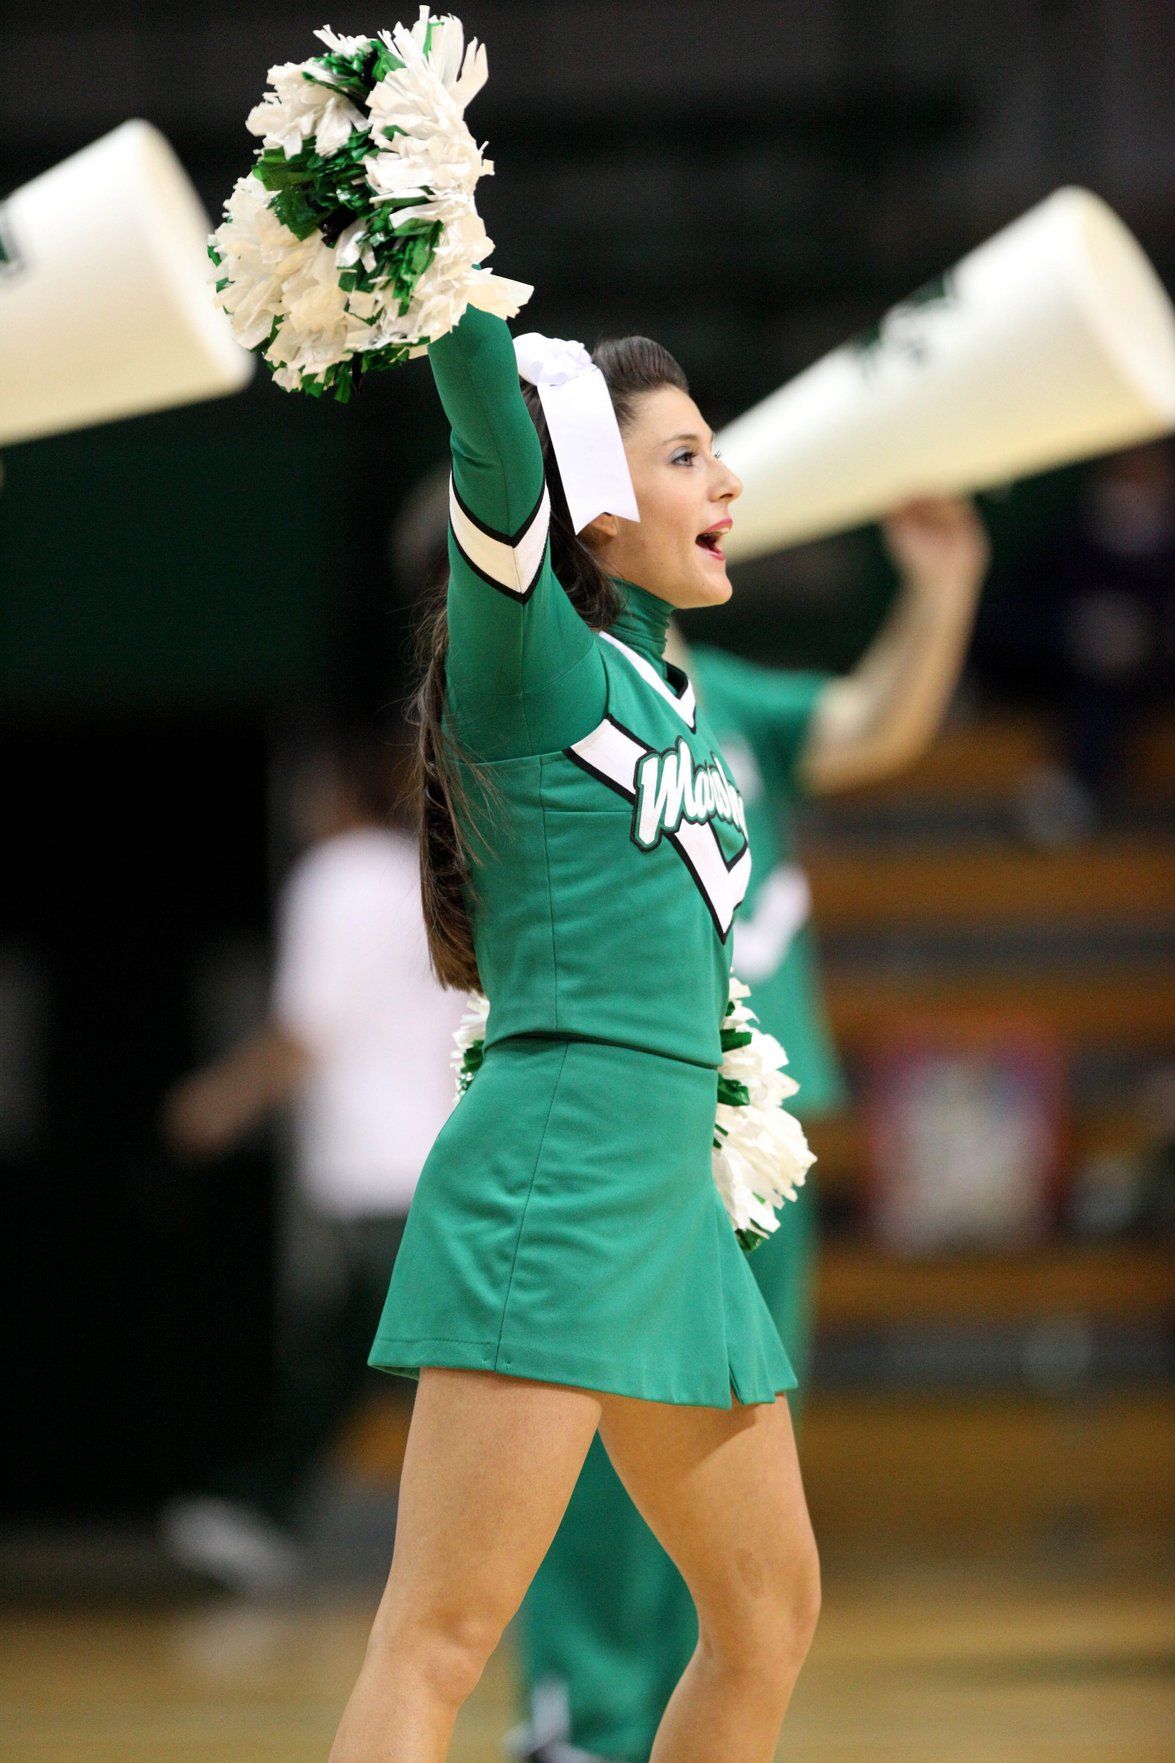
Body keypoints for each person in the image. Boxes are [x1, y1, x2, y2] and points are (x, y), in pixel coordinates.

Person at [328, 295, 823, 1763]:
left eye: (714, 452)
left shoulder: (668, 689)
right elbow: (493, 427)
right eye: (683, 458)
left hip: (670, 1197)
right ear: (598, 509)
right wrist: (438, 266)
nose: (725, 481)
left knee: (765, 1615)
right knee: (439, 1631)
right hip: (555, 1174)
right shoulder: (533, 658)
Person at [512, 496, 989, 1762]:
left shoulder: (726, 696)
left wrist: (940, 587)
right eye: (682, 456)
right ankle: (582, 1717)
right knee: (594, 1439)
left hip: (764, 1129)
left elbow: (871, 722)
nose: (721, 483)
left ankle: (680, 1727)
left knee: (735, 1463)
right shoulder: (553, 688)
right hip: (629, 1120)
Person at [160, 738, 461, 1590]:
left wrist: (217, 1102)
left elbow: (306, 1028)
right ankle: (262, 1510)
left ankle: (263, 1510)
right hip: (443, 1149)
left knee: (382, 1351)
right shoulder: (424, 876)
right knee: (378, 1345)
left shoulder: (334, 878)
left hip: (376, 1160)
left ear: (335, 793)